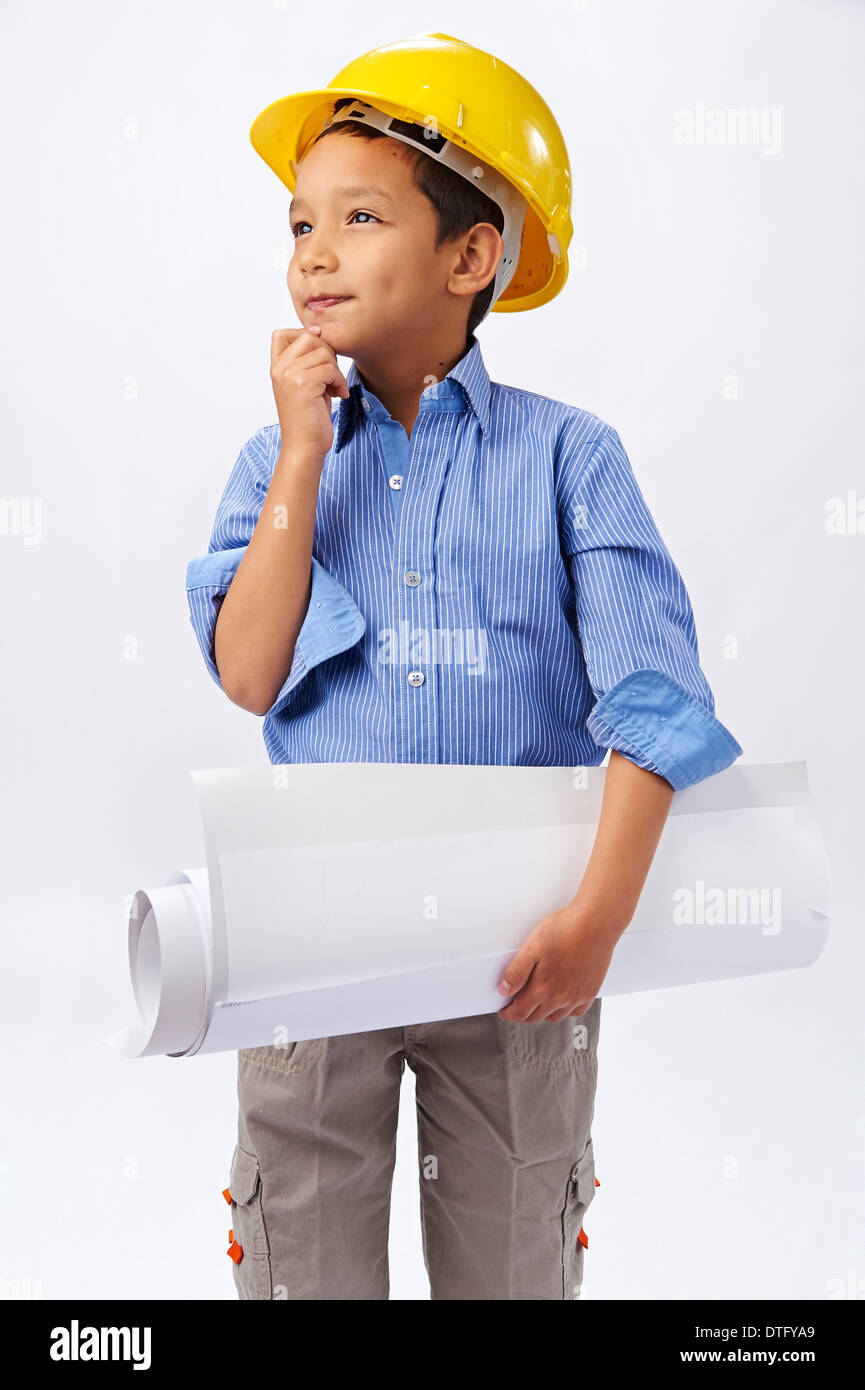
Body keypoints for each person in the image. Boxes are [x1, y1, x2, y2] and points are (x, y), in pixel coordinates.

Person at [185, 32, 743, 1300]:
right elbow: (250, 673)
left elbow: (655, 704)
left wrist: (596, 922)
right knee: (304, 1250)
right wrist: (296, 457)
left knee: (512, 1253)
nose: (311, 254)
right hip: (312, 939)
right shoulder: (280, 463)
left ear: (470, 254)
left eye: (360, 216)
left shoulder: (569, 458)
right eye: (298, 224)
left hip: (523, 952)